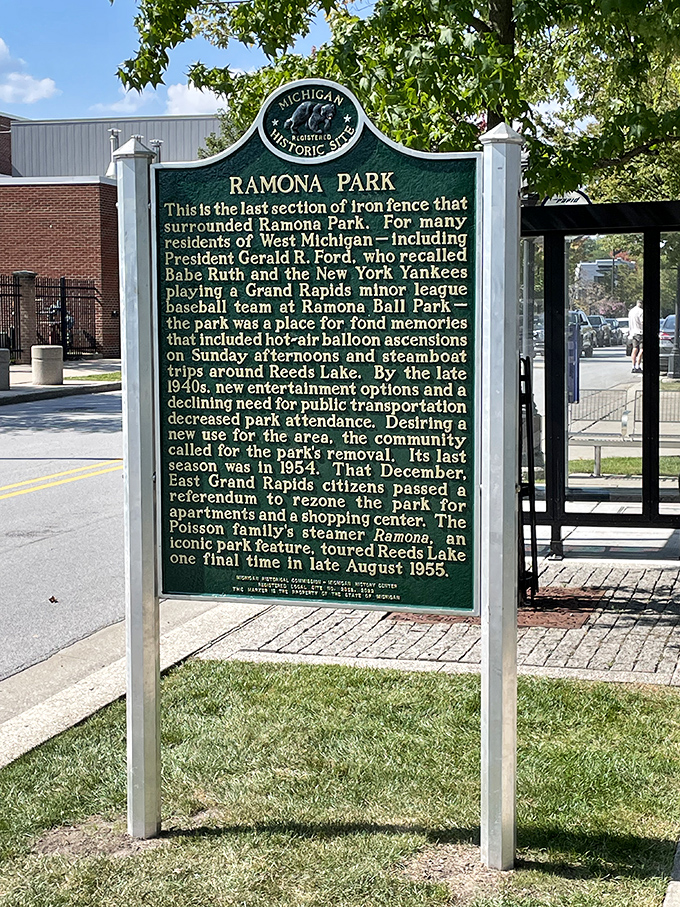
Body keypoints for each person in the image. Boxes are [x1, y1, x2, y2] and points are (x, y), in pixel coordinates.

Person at [628, 299, 643, 373]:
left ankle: (633, 366)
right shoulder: (641, 311)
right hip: (640, 333)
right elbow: (642, 322)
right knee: (642, 349)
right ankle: (638, 365)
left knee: (634, 349)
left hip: (633, 333)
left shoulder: (631, 311)